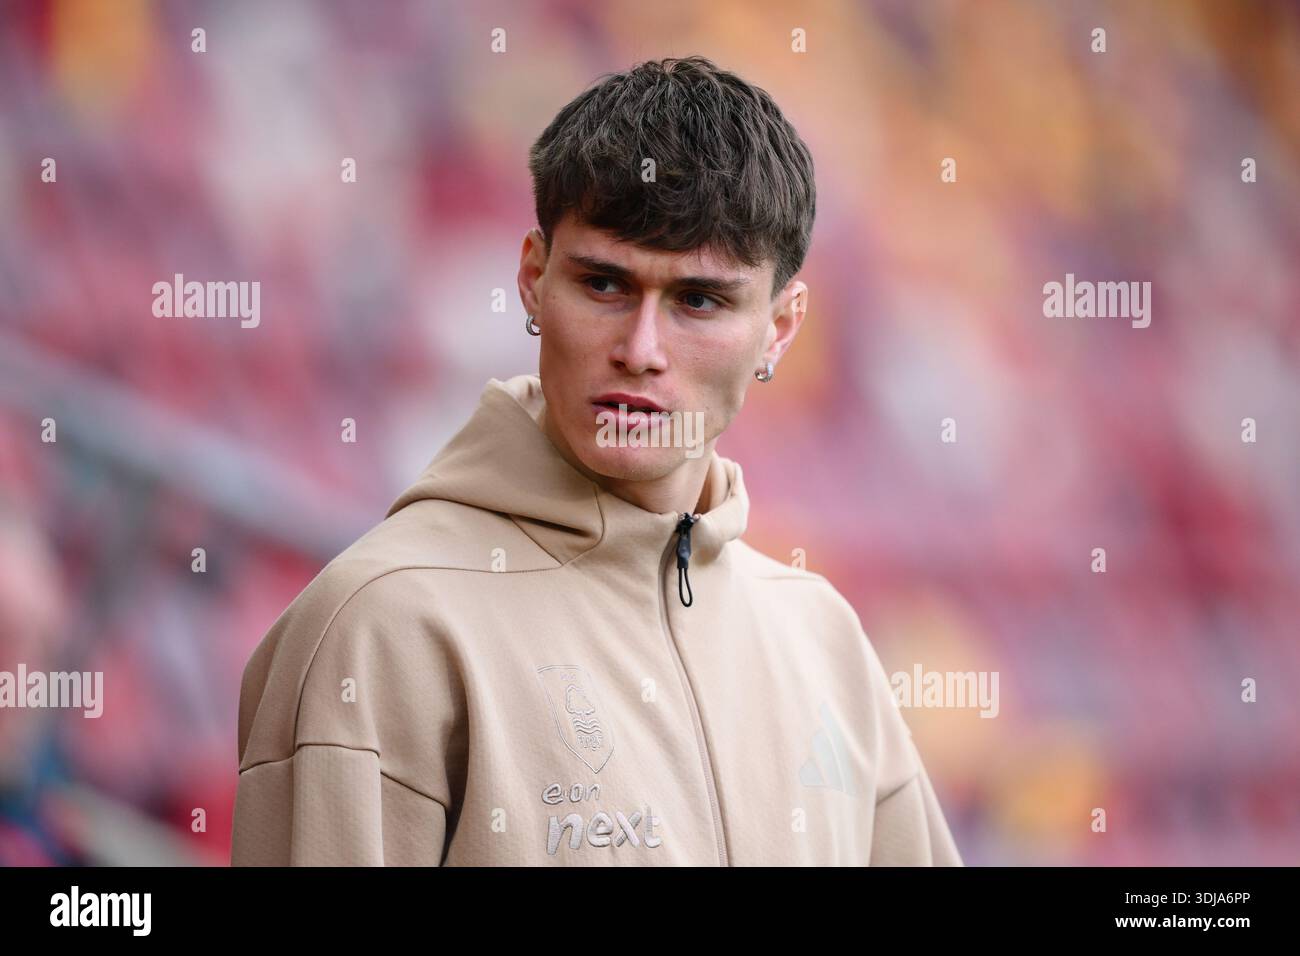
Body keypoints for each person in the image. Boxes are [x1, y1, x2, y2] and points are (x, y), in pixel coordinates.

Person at [231, 55, 962, 866]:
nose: (641, 350)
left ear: (780, 329)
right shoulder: (379, 627)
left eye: (699, 300)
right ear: (535, 281)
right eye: (606, 285)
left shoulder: (824, 642)